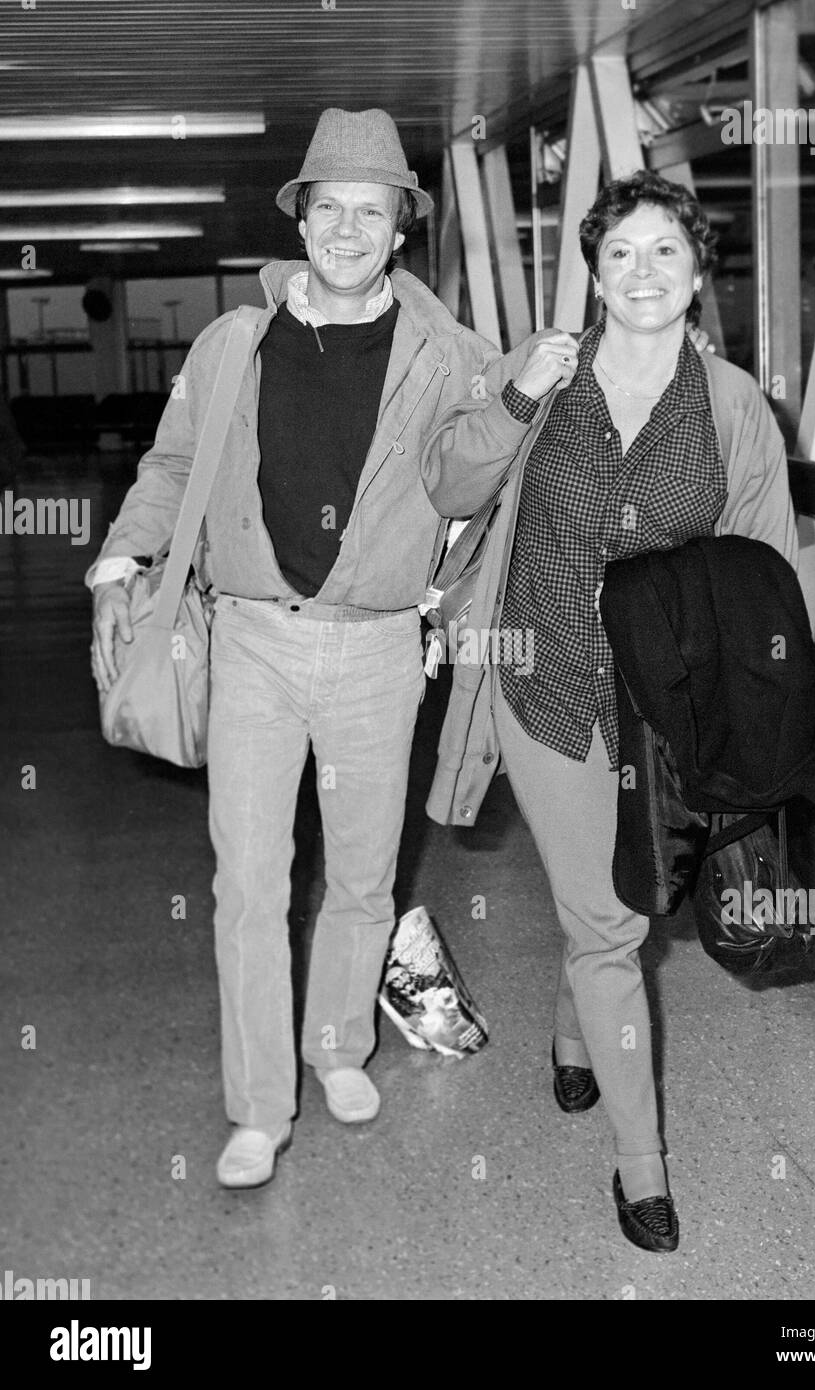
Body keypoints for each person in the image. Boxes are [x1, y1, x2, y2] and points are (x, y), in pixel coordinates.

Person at [88, 108, 502, 1189]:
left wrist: (446, 609)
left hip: (376, 650)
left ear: (400, 229)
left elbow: (486, 494)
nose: (350, 229)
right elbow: (173, 463)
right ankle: (258, 1107)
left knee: (363, 878)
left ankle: (337, 1049)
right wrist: (116, 559)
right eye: (332, 209)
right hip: (254, 642)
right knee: (250, 883)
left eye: (373, 211)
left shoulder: (453, 356)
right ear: (303, 220)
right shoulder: (233, 341)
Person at [421, 170, 797, 1251]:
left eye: (664, 252)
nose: (642, 272)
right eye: (619, 253)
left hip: (666, 699)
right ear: (590, 270)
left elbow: (765, 571)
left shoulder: (730, 403)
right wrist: (513, 401)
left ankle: (575, 1040)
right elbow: (449, 488)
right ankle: (643, 1172)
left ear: (695, 272)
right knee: (611, 921)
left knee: (615, 902)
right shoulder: (537, 371)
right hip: (542, 678)